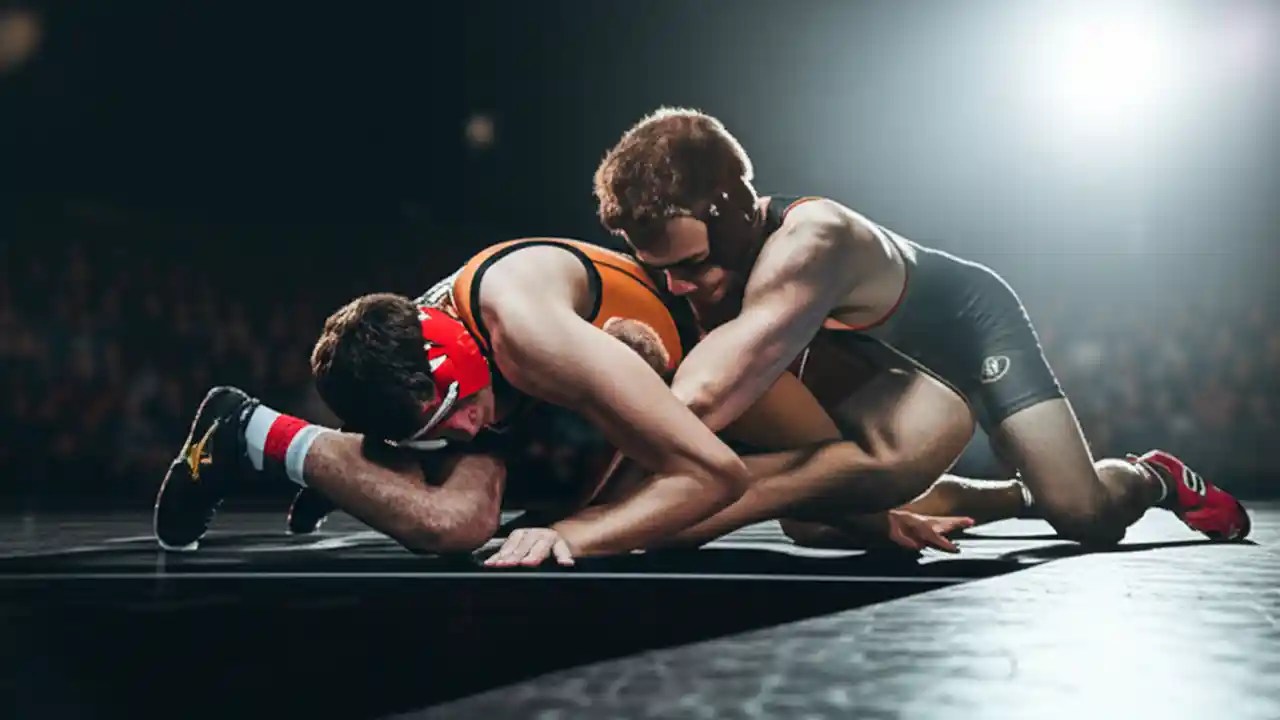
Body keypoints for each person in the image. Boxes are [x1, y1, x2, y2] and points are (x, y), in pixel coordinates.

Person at [577, 106, 1251, 554]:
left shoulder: (809, 244)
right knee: (815, 521)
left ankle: (1152, 476)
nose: (678, 286)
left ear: (730, 215)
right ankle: (1022, 495)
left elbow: (699, 402)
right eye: (660, 271)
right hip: (888, 371)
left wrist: (588, 518)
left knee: (1085, 515)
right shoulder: (718, 274)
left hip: (970, 332)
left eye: (689, 264)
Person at [153, 236, 867, 558]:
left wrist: (579, 528)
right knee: (455, 525)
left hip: (589, 374)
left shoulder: (539, 335)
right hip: (540, 392)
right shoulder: (457, 366)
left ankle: (321, 460)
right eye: (441, 424)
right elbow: (709, 475)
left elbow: (699, 471)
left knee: (631, 488)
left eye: (450, 415)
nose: (465, 428)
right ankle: (251, 431)